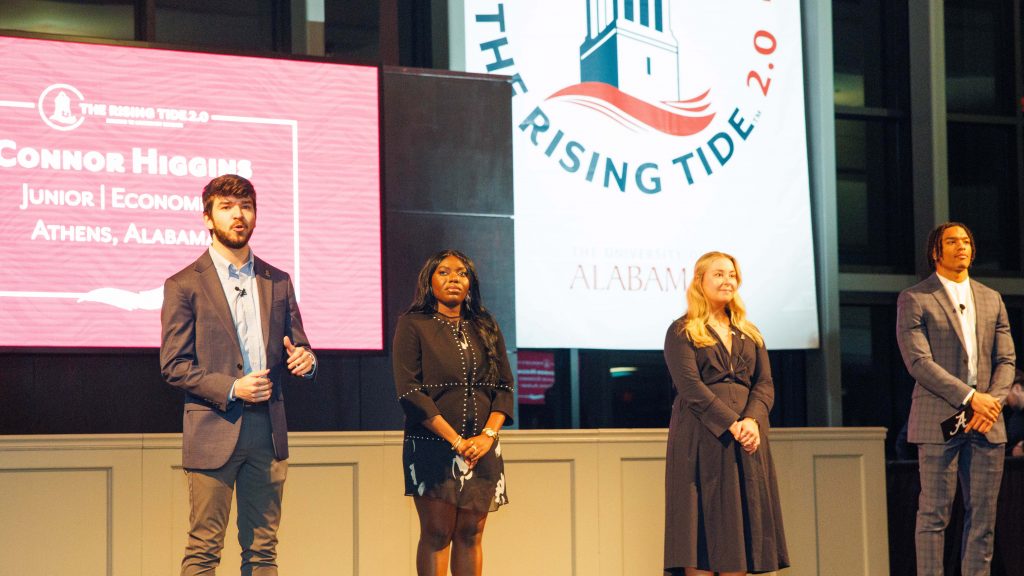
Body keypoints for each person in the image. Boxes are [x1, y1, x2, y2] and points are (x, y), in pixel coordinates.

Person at [160, 174, 317, 575]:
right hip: (213, 429)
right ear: (208, 218)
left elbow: (299, 345)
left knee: (263, 551)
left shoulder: (277, 280)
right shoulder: (183, 284)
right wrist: (232, 387)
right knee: (204, 550)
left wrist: (306, 360)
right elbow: (174, 365)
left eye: (246, 206)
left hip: (267, 430)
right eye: (227, 207)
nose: (238, 215)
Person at [896, 221, 1015, 576]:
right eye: (952, 241)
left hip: (987, 422)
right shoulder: (915, 298)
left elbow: (1006, 360)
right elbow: (919, 362)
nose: (961, 246)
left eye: (966, 241)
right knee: (934, 515)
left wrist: (990, 402)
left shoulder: (991, 298)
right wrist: (970, 398)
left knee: (983, 518)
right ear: (936, 251)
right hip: (938, 420)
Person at [663, 251, 788, 576]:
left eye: (732, 274)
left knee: (741, 542)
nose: (727, 280)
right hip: (701, 439)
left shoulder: (750, 332)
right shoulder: (682, 331)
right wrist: (731, 423)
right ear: (700, 281)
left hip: (747, 440)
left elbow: (765, 384)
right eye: (718, 274)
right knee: (700, 537)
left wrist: (750, 421)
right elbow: (690, 387)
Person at [392, 250, 514, 576]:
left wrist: (487, 436)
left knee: (471, 534)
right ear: (430, 282)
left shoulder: (486, 325)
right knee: (436, 533)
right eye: (444, 272)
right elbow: (409, 392)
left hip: (483, 448)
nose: (454, 279)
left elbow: (504, 388)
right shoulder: (412, 324)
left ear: (470, 283)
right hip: (432, 446)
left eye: (461, 273)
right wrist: (457, 441)